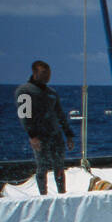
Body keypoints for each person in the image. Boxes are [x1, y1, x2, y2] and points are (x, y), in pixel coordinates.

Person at [15, 60, 75, 195]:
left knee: (59, 166)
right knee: (42, 167)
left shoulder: (52, 92)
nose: (47, 76)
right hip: (39, 136)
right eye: (43, 73)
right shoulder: (24, 90)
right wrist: (32, 136)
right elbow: (24, 115)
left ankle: (62, 193)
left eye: (49, 73)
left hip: (56, 135)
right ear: (35, 73)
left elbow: (60, 114)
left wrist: (69, 135)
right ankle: (43, 194)